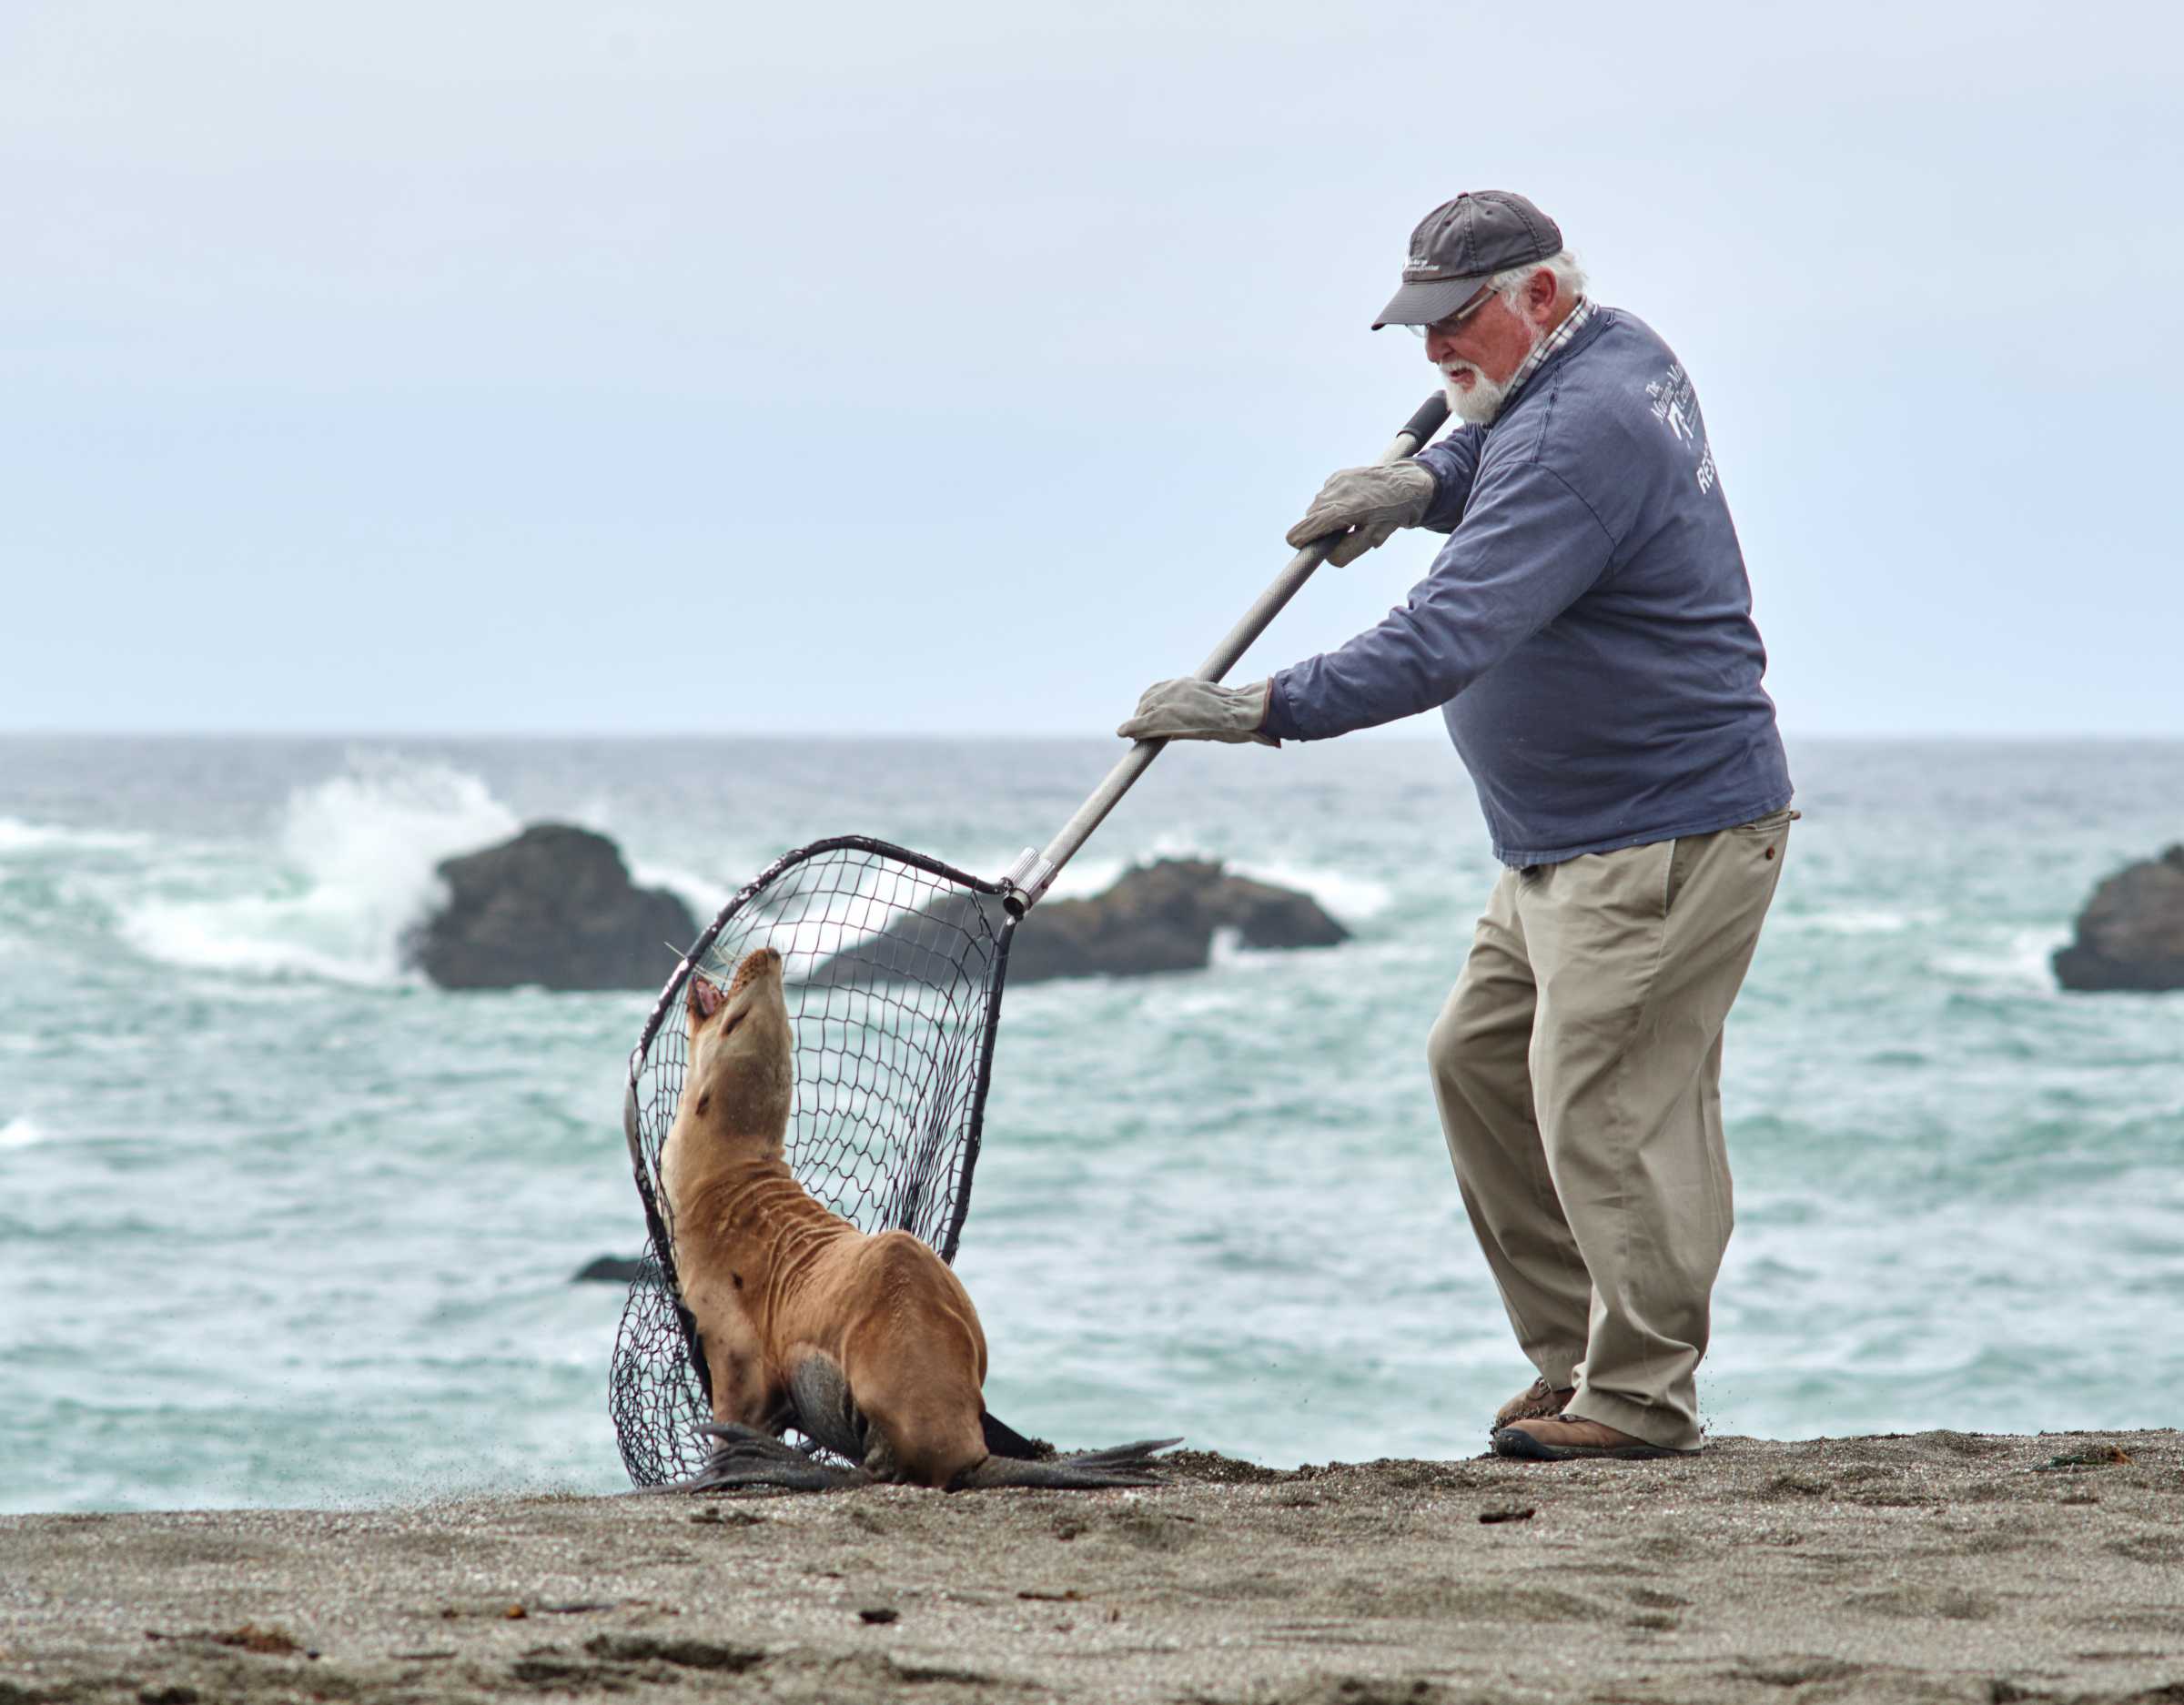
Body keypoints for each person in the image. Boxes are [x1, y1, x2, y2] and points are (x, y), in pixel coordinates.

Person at [1117, 191, 1794, 1462]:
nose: (1436, 355)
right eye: (1420, 329)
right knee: (1476, 1064)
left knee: (1604, 1103)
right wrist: (1424, 480)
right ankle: (1571, 1359)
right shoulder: (1610, 351)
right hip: (1559, 837)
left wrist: (1257, 707)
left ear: (1540, 294)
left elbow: (1446, 636)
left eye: (1456, 323)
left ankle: (1642, 1400)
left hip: (1659, 831)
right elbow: (1504, 441)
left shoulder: (1586, 425)